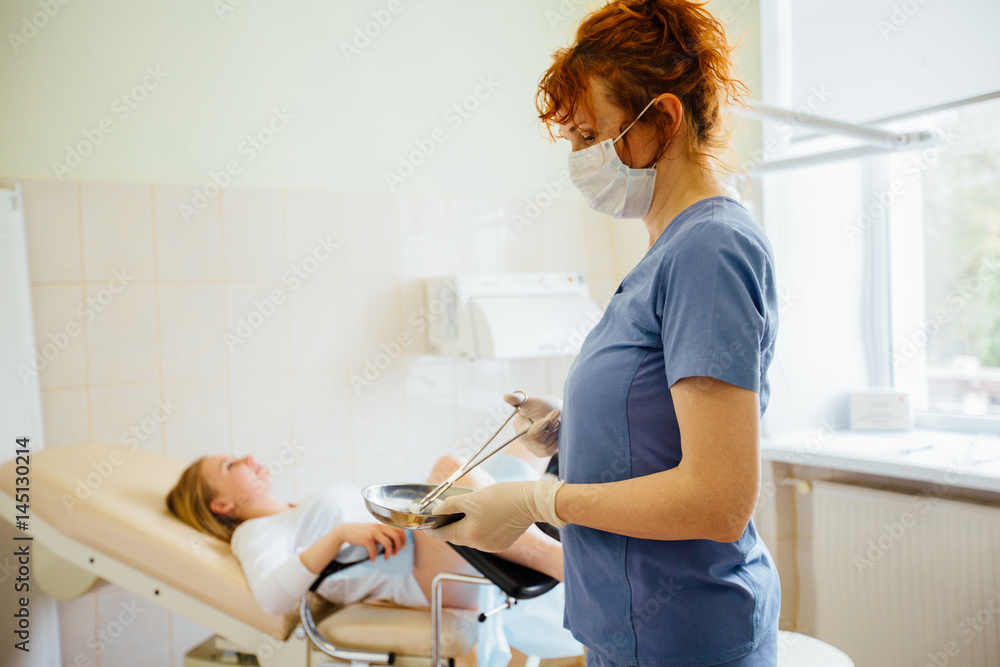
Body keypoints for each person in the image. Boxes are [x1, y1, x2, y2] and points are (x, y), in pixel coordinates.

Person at [428, 1, 781, 665]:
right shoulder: (666, 252)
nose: (580, 159)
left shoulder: (710, 250)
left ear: (664, 120)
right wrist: (567, 433)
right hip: (625, 628)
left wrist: (538, 497)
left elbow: (717, 500)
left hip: (684, 634)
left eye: (592, 135)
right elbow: (659, 428)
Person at [166, 452, 563, 616]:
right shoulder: (254, 532)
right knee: (450, 470)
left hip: (431, 559)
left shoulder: (295, 510)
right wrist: (340, 535)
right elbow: (272, 599)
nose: (249, 460)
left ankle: (556, 530)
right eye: (232, 464)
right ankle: (560, 556)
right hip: (423, 580)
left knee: (501, 469)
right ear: (222, 505)